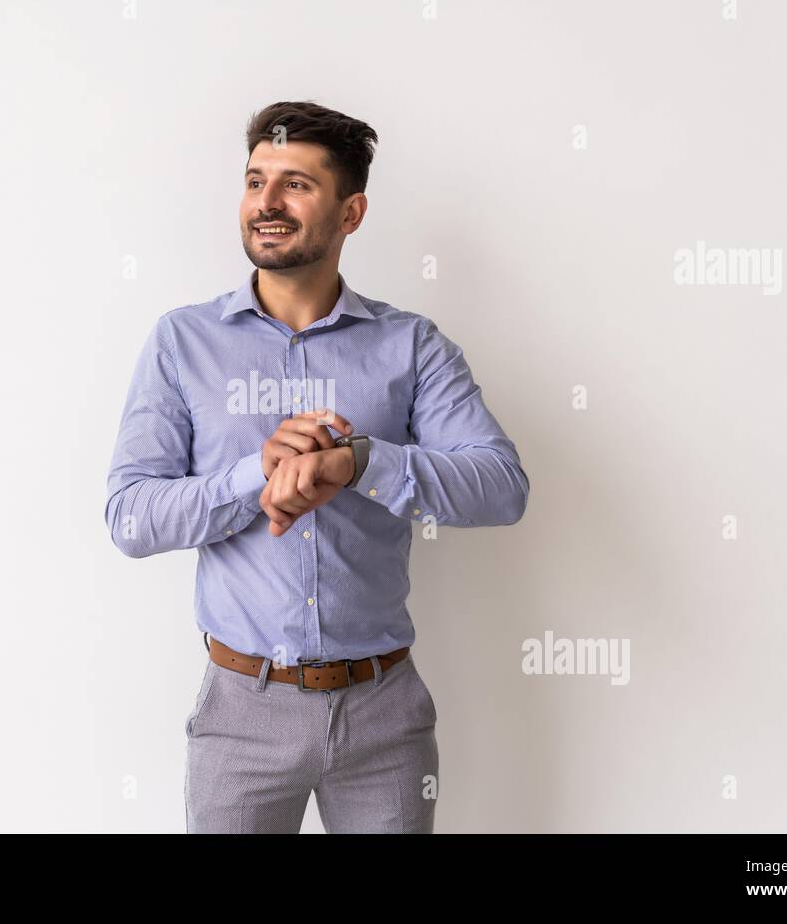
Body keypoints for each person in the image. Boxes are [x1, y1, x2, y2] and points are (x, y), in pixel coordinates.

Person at [104, 100, 530, 832]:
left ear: (351, 211)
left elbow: (500, 486)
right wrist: (252, 476)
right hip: (241, 711)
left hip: (383, 714)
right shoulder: (182, 343)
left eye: (295, 184)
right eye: (254, 180)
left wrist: (360, 462)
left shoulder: (412, 346)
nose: (265, 202)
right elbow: (131, 518)